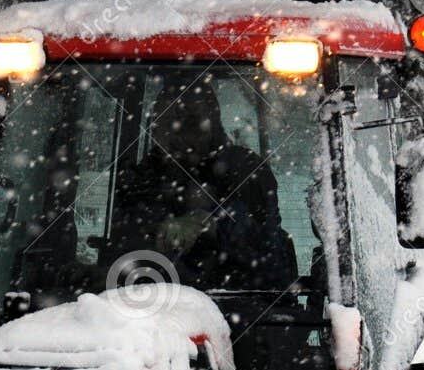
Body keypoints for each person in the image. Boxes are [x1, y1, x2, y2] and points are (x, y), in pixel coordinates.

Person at [112, 81, 297, 290]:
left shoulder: (243, 170)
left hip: (240, 310)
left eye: (190, 121)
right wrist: (98, 273)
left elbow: (273, 259)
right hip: (146, 311)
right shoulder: (141, 177)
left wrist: (213, 223)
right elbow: (128, 246)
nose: (175, 132)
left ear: (212, 124)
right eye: (163, 122)